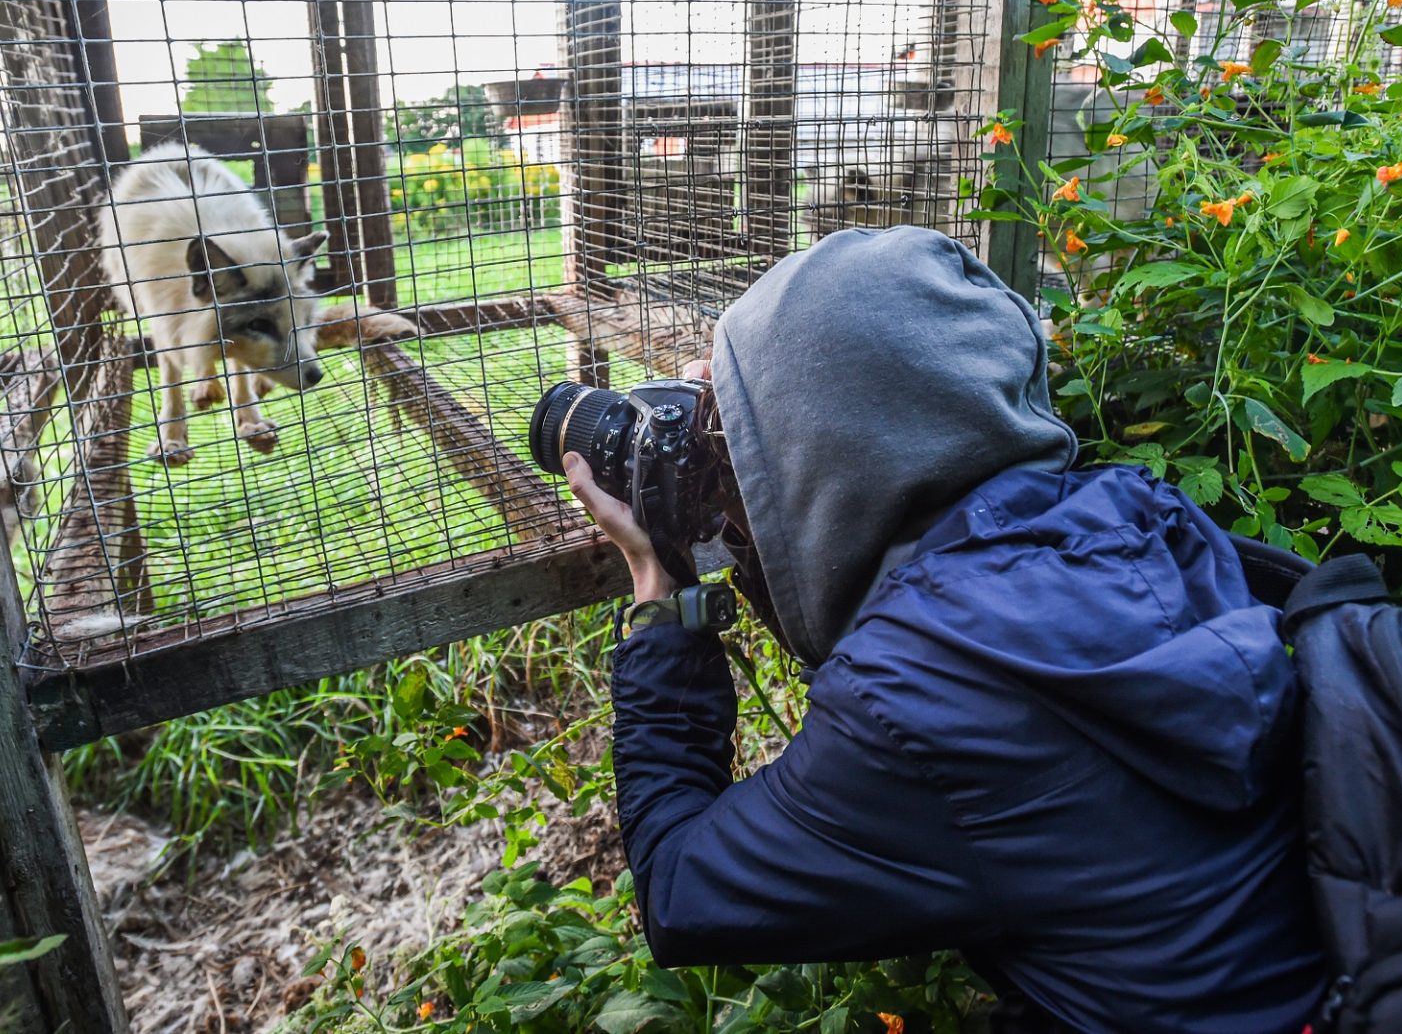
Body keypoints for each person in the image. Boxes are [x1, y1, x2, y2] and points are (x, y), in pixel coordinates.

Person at [561, 227, 1327, 1034]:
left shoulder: (914, 700)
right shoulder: (1141, 515)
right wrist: (762, 406)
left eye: (750, 438)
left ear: (825, 449)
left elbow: (680, 891)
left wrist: (663, 598)